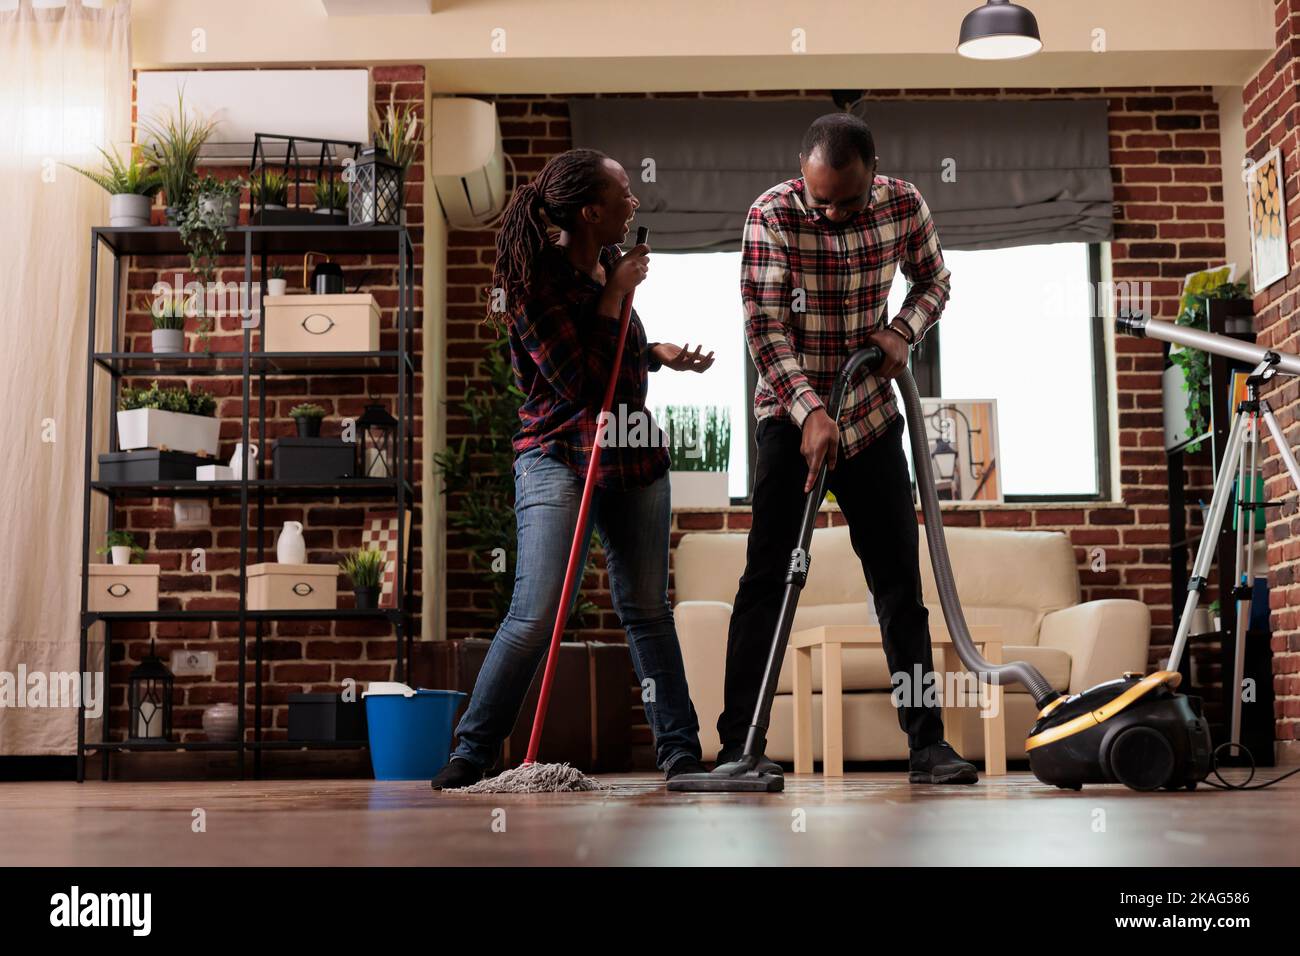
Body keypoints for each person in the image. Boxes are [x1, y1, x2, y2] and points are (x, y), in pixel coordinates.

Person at [432, 148, 714, 789]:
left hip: (632, 456)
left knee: (647, 610)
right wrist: (617, 295)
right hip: (558, 455)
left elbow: (613, 359)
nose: (633, 202)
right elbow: (579, 385)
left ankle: (680, 758)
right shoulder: (532, 286)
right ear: (591, 212)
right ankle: (472, 753)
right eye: (622, 194)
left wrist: (656, 351)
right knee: (534, 612)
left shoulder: (606, 267)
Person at [722, 112, 978, 784]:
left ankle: (928, 746)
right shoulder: (771, 215)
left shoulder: (904, 204)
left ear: (874, 175)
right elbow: (765, 330)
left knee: (898, 585)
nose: (832, 213)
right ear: (802, 174)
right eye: (821, 200)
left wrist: (902, 330)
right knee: (767, 582)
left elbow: (935, 282)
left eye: (848, 201)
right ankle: (738, 749)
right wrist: (808, 411)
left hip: (868, 420)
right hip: (789, 421)